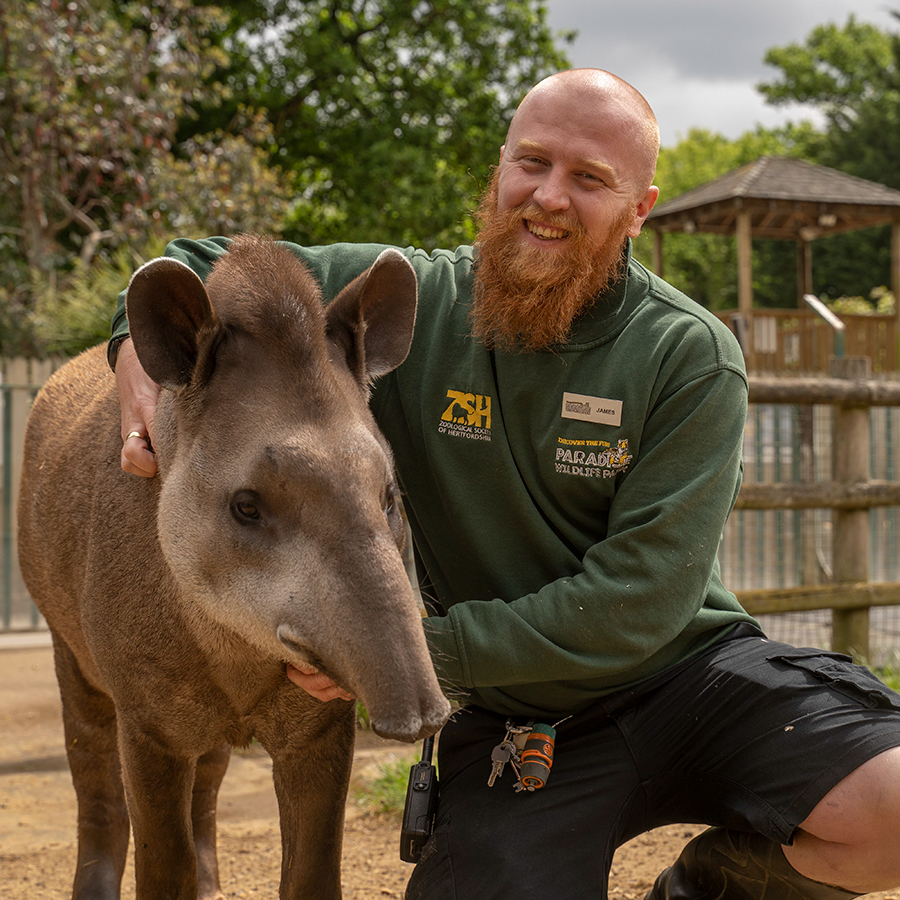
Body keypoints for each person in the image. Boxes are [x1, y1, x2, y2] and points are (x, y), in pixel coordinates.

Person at [111, 68, 900, 899]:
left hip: (691, 675)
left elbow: (641, 599)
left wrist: (403, 653)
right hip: (521, 716)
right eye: (532, 163)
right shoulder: (410, 301)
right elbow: (204, 261)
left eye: (590, 179)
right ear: (498, 174)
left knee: (889, 808)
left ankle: (702, 892)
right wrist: (131, 347)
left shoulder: (689, 355)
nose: (549, 197)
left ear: (640, 209)